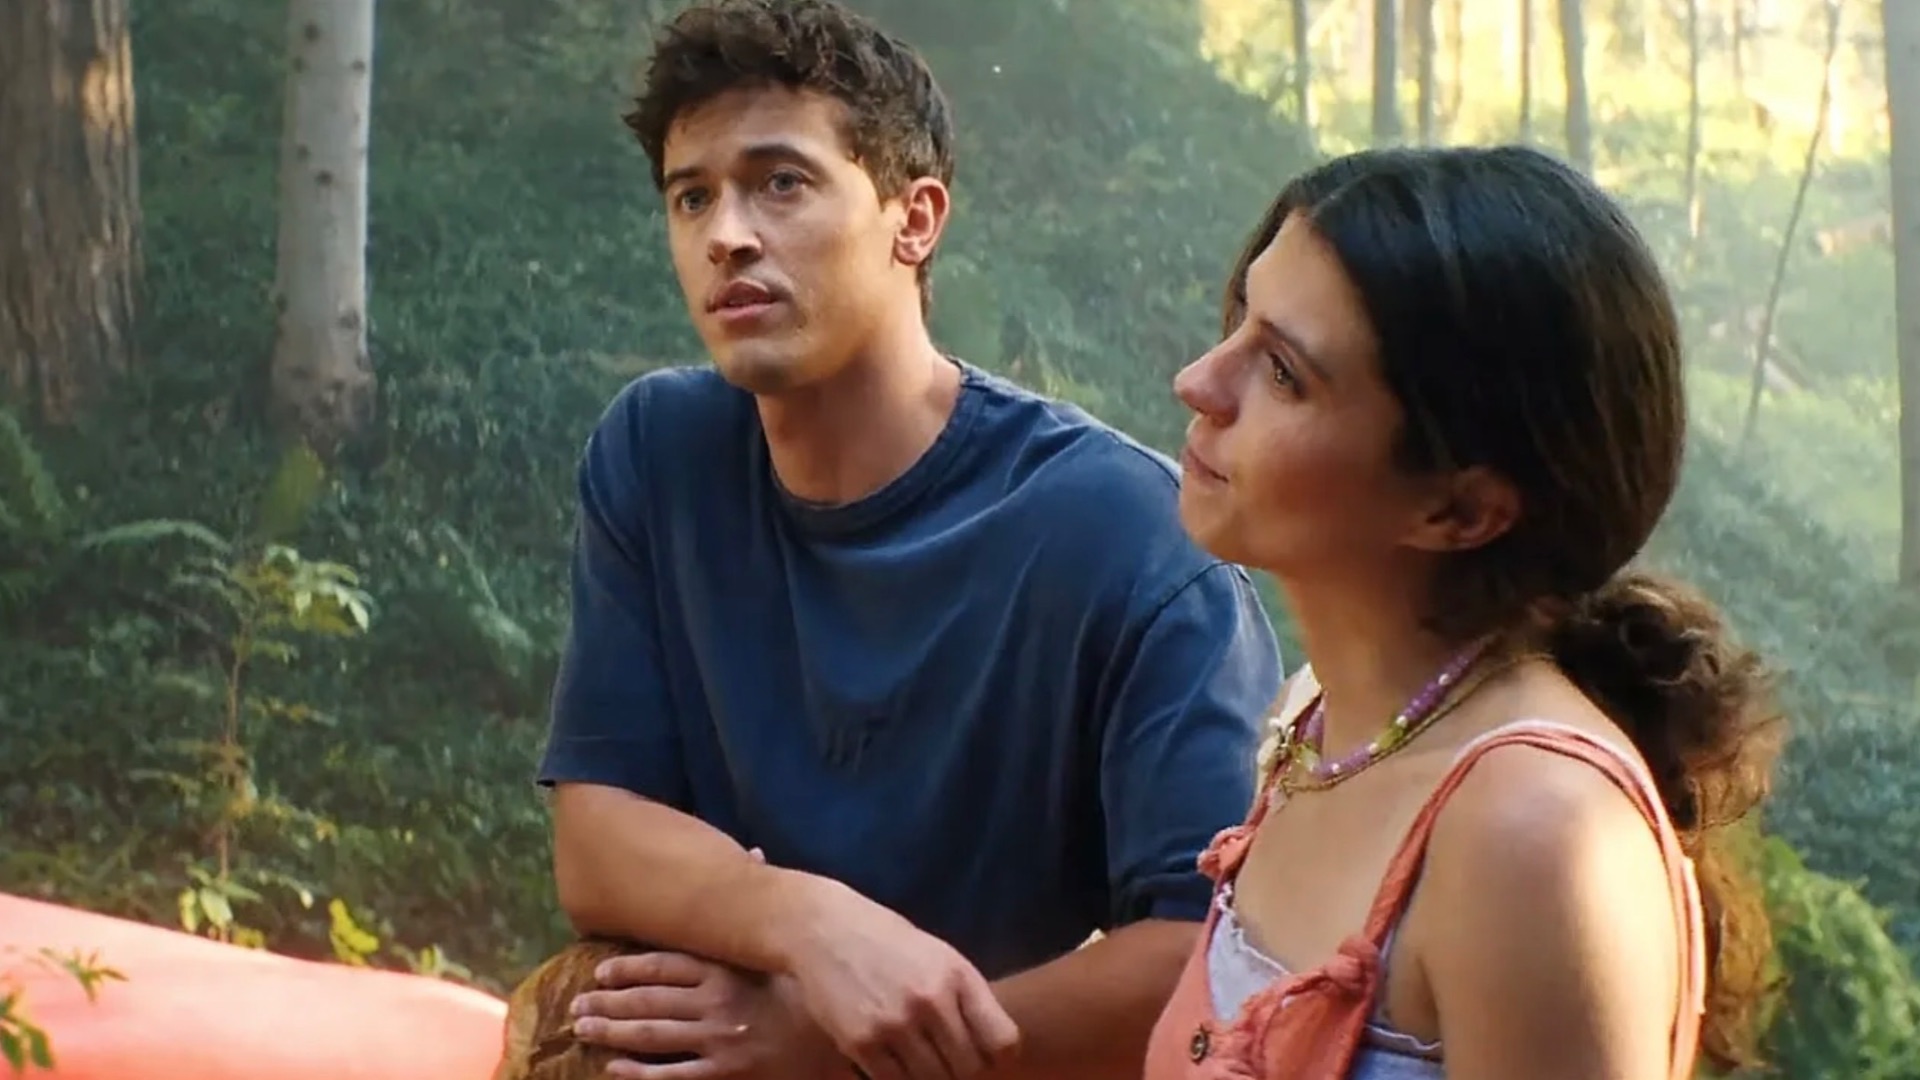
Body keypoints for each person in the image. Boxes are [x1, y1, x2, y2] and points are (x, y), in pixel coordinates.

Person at [532, 2, 1285, 1080]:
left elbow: (1201, 957)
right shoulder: (659, 452)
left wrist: (844, 1050)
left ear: (915, 219)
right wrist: (810, 925)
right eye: (691, 196)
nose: (726, 233)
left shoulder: (1133, 540)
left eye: (780, 182)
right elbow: (600, 835)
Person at [1142, 145, 1786, 1080]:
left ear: (1461, 511)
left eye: (1283, 372)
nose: (1198, 381)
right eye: (1241, 317)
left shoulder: (1538, 836)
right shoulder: (1313, 720)